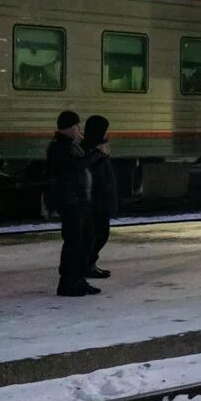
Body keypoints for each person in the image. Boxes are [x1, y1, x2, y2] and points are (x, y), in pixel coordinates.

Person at [46, 111, 98, 296]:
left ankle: (78, 278)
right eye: (76, 126)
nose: (79, 129)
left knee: (86, 240)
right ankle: (68, 282)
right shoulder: (60, 147)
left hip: (78, 199)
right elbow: (75, 167)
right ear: (68, 128)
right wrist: (97, 155)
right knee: (75, 242)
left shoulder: (70, 145)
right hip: (70, 201)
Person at [82, 115, 116, 279]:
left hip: (102, 198)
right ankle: (87, 266)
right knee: (96, 235)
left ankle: (91, 264)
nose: (108, 134)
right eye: (105, 130)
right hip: (94, 200)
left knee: (102, 234)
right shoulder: (87, 149)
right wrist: (99, 154)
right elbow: (84, 167)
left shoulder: (99, 148)